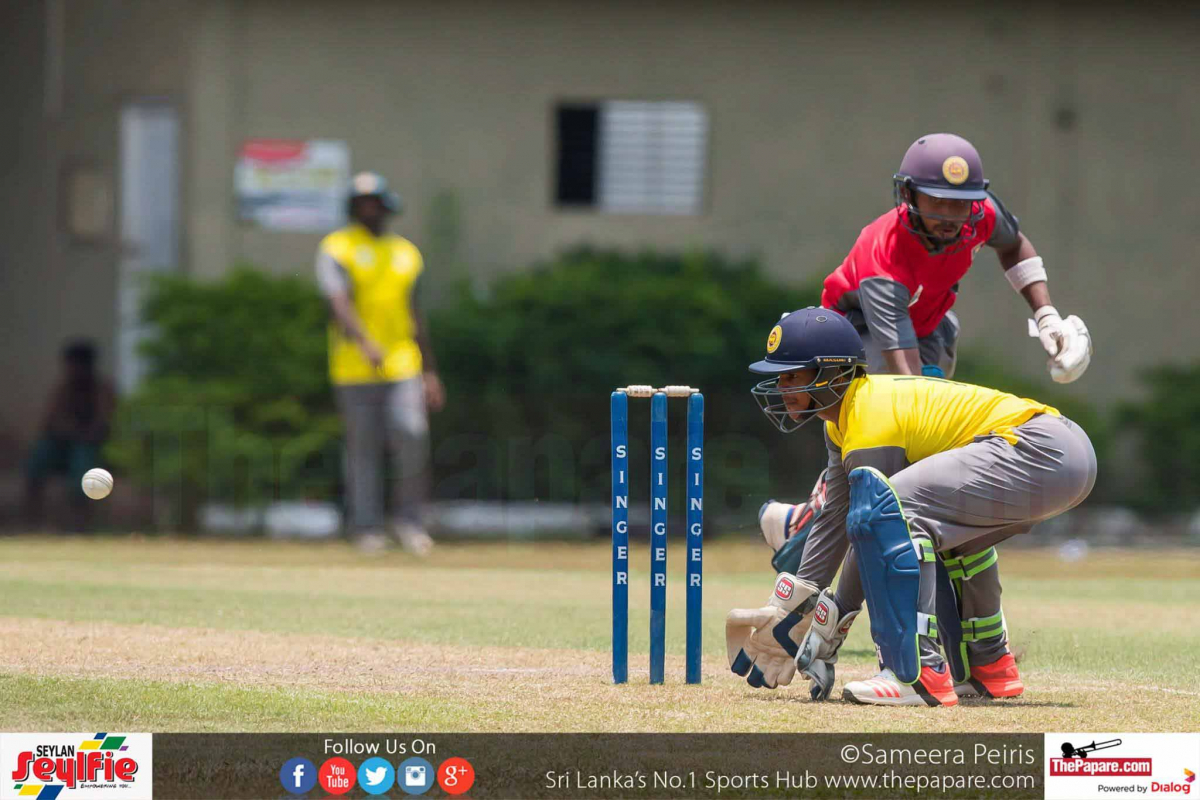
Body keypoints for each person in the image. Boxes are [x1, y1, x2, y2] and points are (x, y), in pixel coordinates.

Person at [757, 133, 1093, 698]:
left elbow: (1015, 248)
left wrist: (1048, 314)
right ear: (908, 196)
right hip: (858, 329)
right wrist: (803, 599)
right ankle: (990, 662)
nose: (950, 215)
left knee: (892, 501)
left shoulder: (977, 216)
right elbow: (904, 383)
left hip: (935, 335)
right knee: (911, 494)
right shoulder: (882, 256)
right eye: (936, 201)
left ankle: (917, 671)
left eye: (960, 203)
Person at [726, 308, 1096, 706]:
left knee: (886, 513)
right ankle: (984, 666)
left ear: (832, 373)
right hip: (1062, 454)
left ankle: (913, 675)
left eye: (792, 376)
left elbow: (870, 523)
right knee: (946, 538)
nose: (782, 388)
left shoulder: (869, 415)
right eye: (779, 377)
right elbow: (834, 516)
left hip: (1042, 449)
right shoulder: (841, 420)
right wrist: (792, 603)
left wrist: (832, 614)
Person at [315, 171, 445, 554]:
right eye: (362, 203)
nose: (369, 209)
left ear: (387, 207)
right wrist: (363, 342)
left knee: (411, 435)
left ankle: (409, 523)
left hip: (403, 363)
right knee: (363, 449)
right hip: (353, 368)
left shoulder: (406, 252)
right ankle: (366, 528)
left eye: (375, 202)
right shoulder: (337, 247)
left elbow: (415, 313)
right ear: (353, 208)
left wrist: (430, 370)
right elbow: (338, 302)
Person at [24, 340, 116, 529]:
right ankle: (33, 518)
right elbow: (50, 422)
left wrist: (77, 432)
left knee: (82, 461)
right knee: (37, 457)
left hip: (90, 448)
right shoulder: (63, 390)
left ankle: (79, 522)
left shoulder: (101, 390)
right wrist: (68, 431)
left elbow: (102, 425)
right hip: (61, 446)